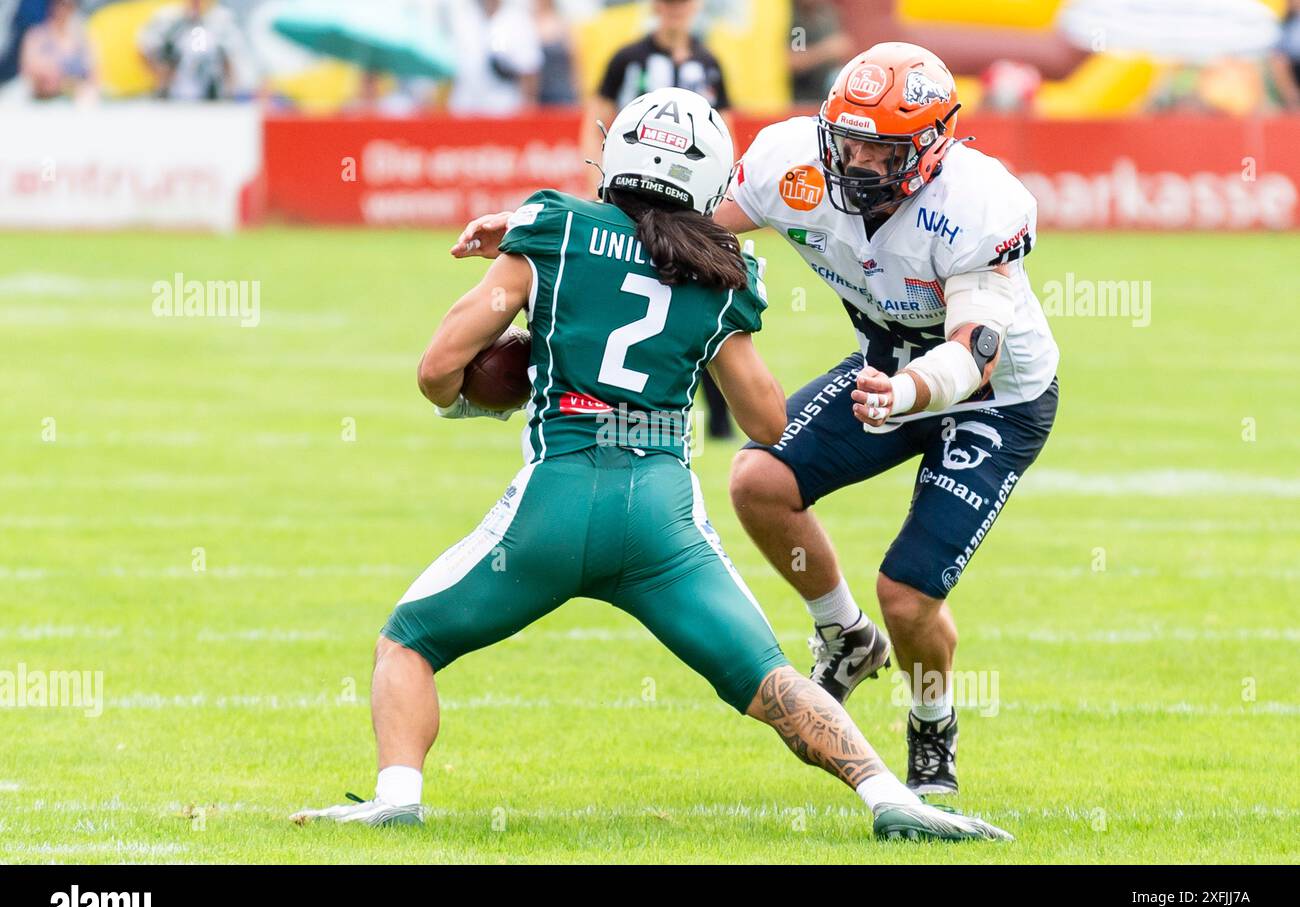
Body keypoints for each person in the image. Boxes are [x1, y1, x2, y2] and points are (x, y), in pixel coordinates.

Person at [292, 88, 1011, 843]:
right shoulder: (722, 269)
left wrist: (492, 389)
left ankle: (397, 795)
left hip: (554, 500)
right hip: (661, 518)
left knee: (410, 640)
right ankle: (889, 794)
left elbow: (438, 366)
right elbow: (768, 422)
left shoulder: (551, 225)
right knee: (771, 679)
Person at [455, 42, 1060, 798]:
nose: (859, 161)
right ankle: (844, 636)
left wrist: (904, 394)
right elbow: (665, 222)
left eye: (882, 146)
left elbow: (977, 351)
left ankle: (932, 725)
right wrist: (529, 225)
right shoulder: (793, 164)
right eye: (849, 139)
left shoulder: (979, 204)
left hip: (989, 395)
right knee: (759, 476)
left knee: (907, 594)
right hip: (883, 364)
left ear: (934, 144)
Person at [585, 0, 735, 439]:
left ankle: (719, 421)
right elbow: (596, 114)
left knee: (699, 292)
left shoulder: (708, 63)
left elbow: (724, 131)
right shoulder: (627, 58)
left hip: (686, 200)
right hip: (631, 193)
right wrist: (594, 169)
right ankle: (612, 401)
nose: (674, 11)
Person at [447, 0, 542, 115]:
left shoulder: (518, 20)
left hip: (505, 110)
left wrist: (528, 111)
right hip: (465, 109)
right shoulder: (462, 16)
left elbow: (529, 71)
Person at [138, 0, 247, 101]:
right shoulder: (168, 19)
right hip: (174, 96)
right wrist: (161, 75)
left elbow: (229, 59)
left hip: (211, 97)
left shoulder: (222, 20)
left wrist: (230, 93)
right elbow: (144, 47)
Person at [19, 0, 95, 102]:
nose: (63, 9)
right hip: (43, 101)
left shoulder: (83, 36)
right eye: (59, 3)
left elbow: (94, 73)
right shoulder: (37, 35)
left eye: (69, 5)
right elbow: (29, 70)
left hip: (77, 103)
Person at [788, 0, 852, 106]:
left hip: (827, 89)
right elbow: (793, 62)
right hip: (802, 95)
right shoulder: (794, 17)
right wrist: (826, 50)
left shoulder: (827, 12)